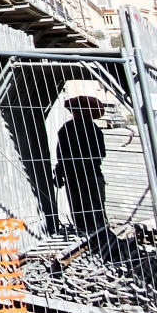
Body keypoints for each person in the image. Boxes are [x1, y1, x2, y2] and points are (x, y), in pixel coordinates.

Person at [54, 95, 108, 239]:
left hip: (75, 178)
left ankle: (87, 238)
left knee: (80, 213)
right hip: (91, 176)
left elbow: (61, 157)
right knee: (96, 211)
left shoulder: (66, 129)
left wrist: (60, 173)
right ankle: (100, 239)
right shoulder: (94, 129)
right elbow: (100, 154)